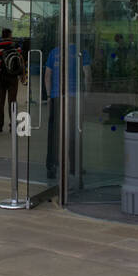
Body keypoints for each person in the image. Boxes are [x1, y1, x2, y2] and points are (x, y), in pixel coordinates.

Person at [44, 40, 91, 180]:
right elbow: (87, 74)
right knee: (74, 131)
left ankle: (51, 167)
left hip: (56, 97)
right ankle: (74, 167)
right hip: (74, 97)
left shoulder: (54, 52)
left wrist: (49, 95)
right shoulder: (82, 53)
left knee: (54, 134)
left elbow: (47, 75)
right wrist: (86, 94)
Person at [0, 28, 24, 133]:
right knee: (12, 101)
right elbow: (21, 60)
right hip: (13, 77)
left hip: (2, 77)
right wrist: (23, 74)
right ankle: (13, 125)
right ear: (10, 35)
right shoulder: (16, 45)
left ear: (2, 35)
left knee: (0, 102)